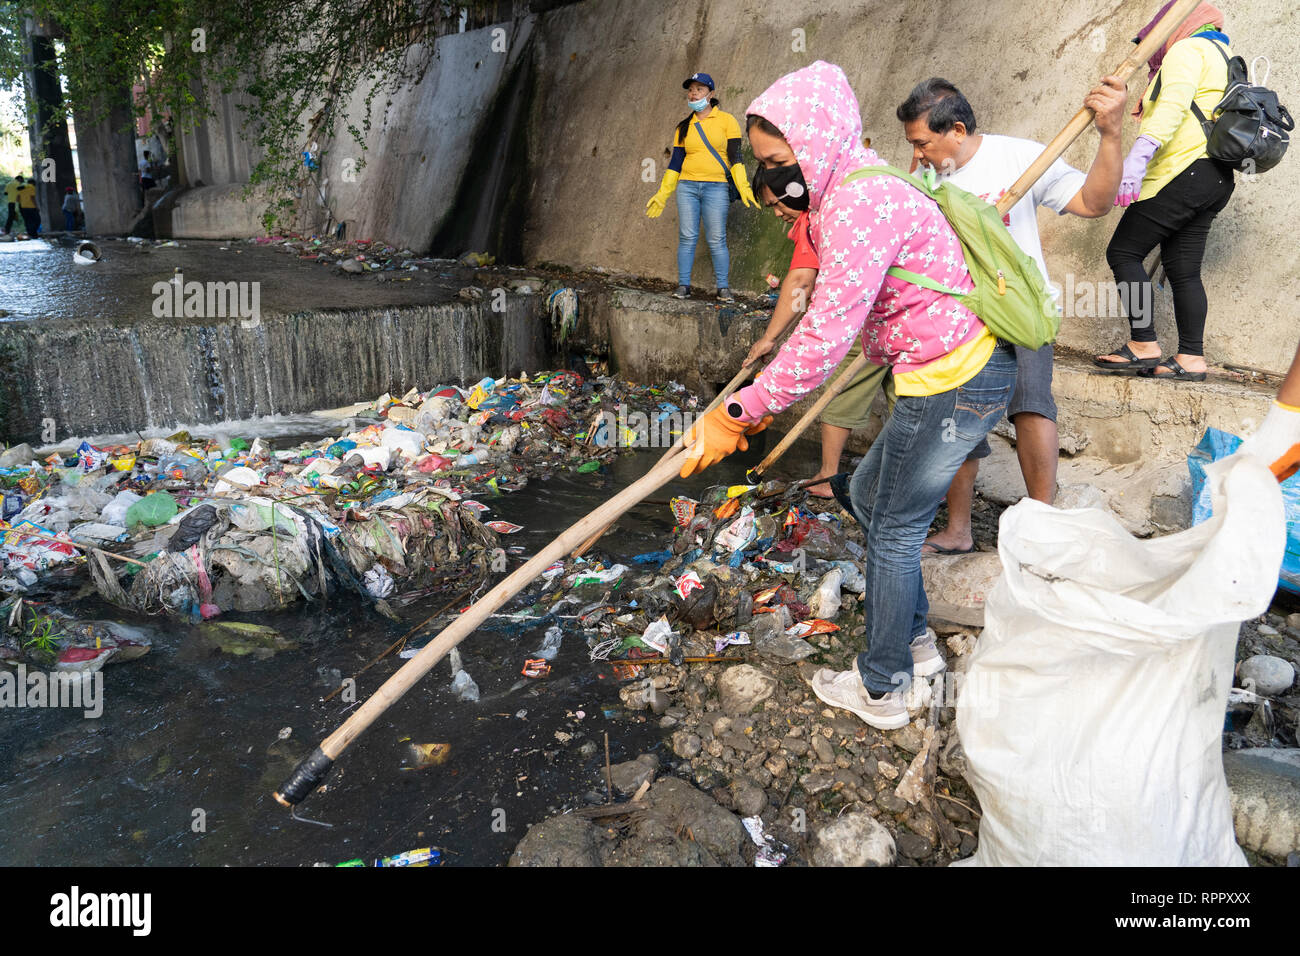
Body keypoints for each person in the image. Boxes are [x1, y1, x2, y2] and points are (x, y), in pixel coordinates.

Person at [681, 60, 1018, 730]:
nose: (773, 178)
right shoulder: (848, 192)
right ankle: (916, 643)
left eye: (779, 159)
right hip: (937, 375)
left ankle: (884, 687)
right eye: (763, 165)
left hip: (959, 379)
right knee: (865, 496)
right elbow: (844, 313)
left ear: (815, 139)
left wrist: (741, 410)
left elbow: (824, 335)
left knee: (893, 527)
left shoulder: (860, 201)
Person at [895, 75, 1127, 554]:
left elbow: (1093, 202)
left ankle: (1041, 526)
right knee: (957, 420)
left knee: (1032, 407)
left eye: (922, 143)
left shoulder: (1020, 157)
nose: (917, 155)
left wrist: (1110, 134)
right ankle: (958, 531)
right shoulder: (925, 178)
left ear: (956, 130)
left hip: (1019, 309)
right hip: (955, 317)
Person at [743, 147, 894, 499]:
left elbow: (800, 283)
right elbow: (801, 288)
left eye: (777, 204)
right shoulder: (832, 209)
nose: (778, 213)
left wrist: (771, 338)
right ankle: (908, 489)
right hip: (899, 317)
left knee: (841, 393)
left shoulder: (818, 219)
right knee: (907, 401)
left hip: (866, 318)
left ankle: (828, 476)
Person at [1094, 2, 1233, 382]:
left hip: (1183, 171)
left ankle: (1144, 344)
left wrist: (1140, 156)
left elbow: (1172, 105)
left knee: (1123, 251)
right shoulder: (1223, 53)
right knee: (1184, 270)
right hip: (1215, 177)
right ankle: (1191, 357)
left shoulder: (1188, 49)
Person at [646, 72, 759, 303]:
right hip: (687, 187)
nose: (693, 93)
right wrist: (663, 193)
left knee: (716, 238)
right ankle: (684, 286)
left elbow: (735, 157)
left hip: (716, 188)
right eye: (691, 90)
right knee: (687, 236)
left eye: (699, 89)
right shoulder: (684, 127)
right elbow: (675, 163)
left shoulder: (727, 121)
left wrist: (744, 186)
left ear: (711, 94)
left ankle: (723, 288)